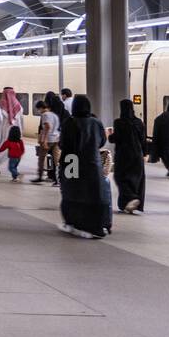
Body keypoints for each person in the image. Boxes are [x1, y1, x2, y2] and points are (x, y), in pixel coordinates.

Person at [58, 95, 110, 239]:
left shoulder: (69, 122)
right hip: (92, 162)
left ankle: (73, 222)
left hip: (71, 160)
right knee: (93, 193)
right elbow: (102, 142)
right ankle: (94, 225)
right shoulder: (96, 122)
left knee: (71, 190)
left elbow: (62, 144)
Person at [108, 99, 146, 213]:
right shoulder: (139, 122)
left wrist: (110, 135)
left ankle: (131, 198)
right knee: (136, 179)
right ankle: (129, 205)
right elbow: (143, 139)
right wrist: (145, 153)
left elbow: (115, 138)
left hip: (123, 155)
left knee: (120, 177)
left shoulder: (119, 122)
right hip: (137, 154)